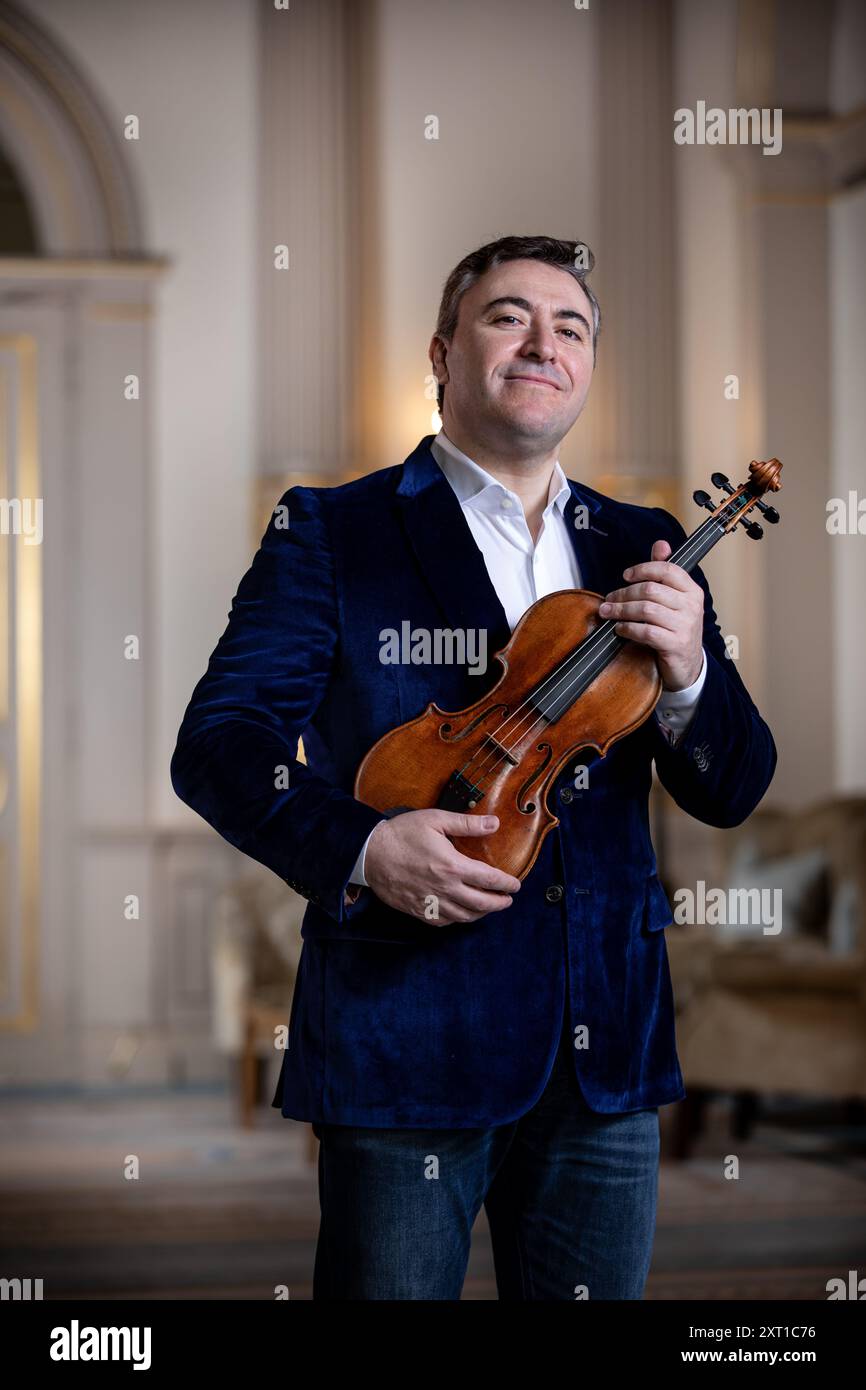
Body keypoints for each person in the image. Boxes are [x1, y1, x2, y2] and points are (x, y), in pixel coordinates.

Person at [170, 234, 776, 1300]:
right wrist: (361, 846)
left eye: (570, 326)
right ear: (441, 352)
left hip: (605, 1054)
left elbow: (728, 786)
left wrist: (685, 672)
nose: (543, 342)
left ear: (586, 366)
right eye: (507, 317)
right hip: (405, 1036)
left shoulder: (645, 544)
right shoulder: (331, 530)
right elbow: (220, 744)